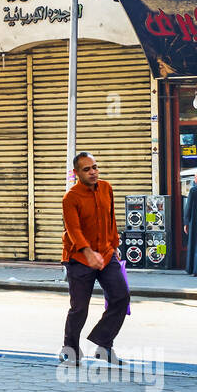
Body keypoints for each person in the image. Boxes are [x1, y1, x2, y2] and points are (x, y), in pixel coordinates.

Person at [61, 152, 129, 365]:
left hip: (107, 254)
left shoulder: (106, 188)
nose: (93, 172)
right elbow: (73, 230)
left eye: (95, 167)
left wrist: (115, 245)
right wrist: (88, 253)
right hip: (79, 258)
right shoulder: (70, 197)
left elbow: (111, 218)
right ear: (76, 173)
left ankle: (104, 344)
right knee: (79, 308)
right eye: (87, 169)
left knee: (121, 297)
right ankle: (69, 349)